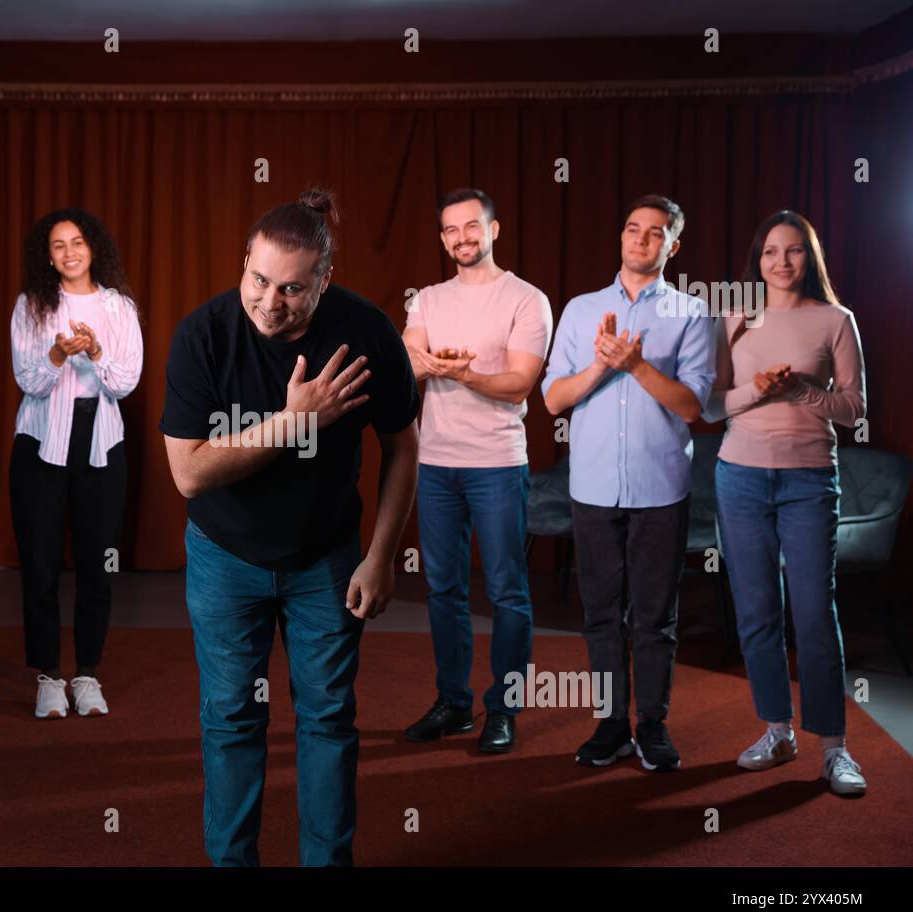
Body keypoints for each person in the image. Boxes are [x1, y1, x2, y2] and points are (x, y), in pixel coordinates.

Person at [160, 189, 419, 866]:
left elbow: (402, 446)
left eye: (292, 289)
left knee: (328, 720)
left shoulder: (366, 333)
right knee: (230, 720)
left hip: (327, 559)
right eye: (259, 280)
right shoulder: (202, 335)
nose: (270, 302)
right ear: (244, 261)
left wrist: (382, 555)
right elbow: (188, 473)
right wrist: (296, 419)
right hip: (224, 554)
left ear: (324, 281)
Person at [542, 194, 715, 772]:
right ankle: (612, 723)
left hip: (660, 488)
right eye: (632, 229)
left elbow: (693, 407)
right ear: (621, 236)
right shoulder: (579, 309)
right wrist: (601, 365)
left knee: (654, 616)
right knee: (599, 611)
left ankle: (653, 724)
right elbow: (552, 400)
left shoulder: (691, 314)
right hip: (591, 488)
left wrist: (638, 366)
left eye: (655, 233)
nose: (640, 240)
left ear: (673, 246)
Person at [703, 210, 867, 796]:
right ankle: (777, 730)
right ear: (758, 258)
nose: (782, 262)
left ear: (810, 258)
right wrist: (759, 389)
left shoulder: (835, 319)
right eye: (771, 251)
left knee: (814, 612)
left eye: (794, 251)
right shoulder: (734, 316)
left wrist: (799, 389)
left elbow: (853, 409)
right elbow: (711, 406)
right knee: (756, 612)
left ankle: (834, 747)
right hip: (740, 478)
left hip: (808, 482)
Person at [401, 188, 553, 753]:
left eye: (471, 227)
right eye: (449, 230)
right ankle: (453, 702)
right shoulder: (429, 300)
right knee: (443, 588)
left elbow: (519, 381)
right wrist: (429, 364)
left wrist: (459, 374)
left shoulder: (527, 300)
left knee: (508, 591)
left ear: (493, 230)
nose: (461, 238)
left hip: (496, 463)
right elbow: (407, 359)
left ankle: (504, 709)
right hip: (437, 463)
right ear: (443, 239)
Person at [9, 209, 143, 718]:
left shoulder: (118, 306)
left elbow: (125, 382)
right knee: (40, 566)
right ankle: (48, 677)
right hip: (40, 445)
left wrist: (97, 349)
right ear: (48, 255)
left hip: (100, 445)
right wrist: (60, 355)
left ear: (94, 248)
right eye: (59, 244)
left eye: (78, 242)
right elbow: (29, 381)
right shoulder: (32, 305)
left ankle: (87, 674)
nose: (69, 252)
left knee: (96, 566)